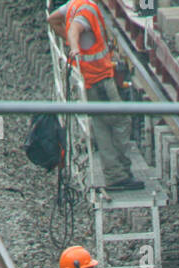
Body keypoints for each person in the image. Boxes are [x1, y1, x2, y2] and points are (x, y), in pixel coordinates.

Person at [48, 0, 143, 191]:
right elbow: (75, 28)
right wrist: (74, 45)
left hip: (89, 79)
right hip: (99, 79)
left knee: (102, 125)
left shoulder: (73, 4)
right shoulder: (86, 9)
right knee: (121, 121)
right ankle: (119, 174)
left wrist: (70, 43)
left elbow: (53, 19)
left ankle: (115, 174)